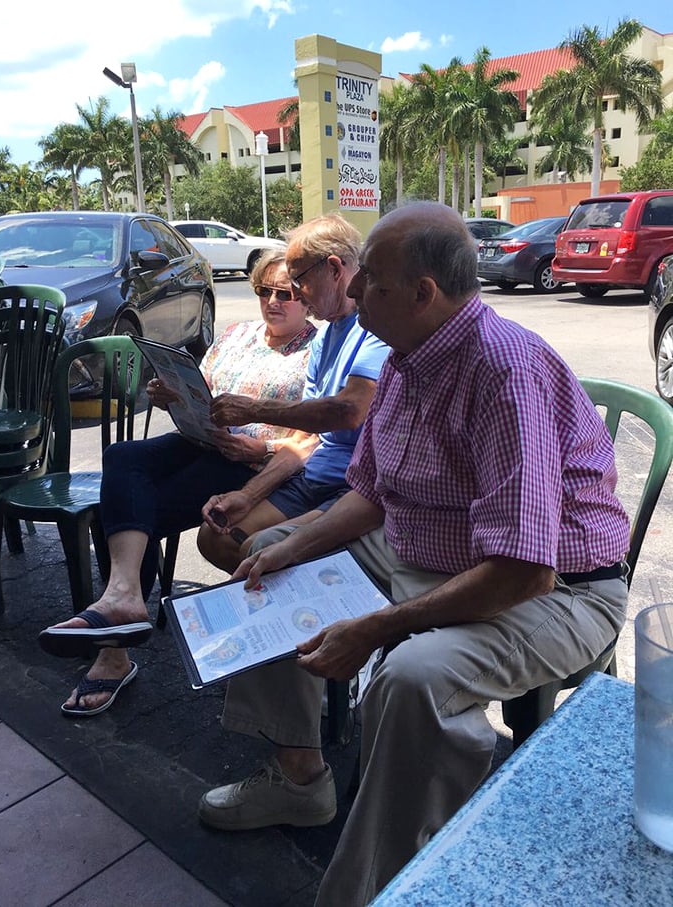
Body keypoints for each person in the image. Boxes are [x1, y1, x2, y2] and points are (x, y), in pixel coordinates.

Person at [196, 202, 631, 907]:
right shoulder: (406, 356)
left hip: (556, 589)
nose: (356, 291)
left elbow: (526, 566)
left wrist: (378, 627)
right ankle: (300, 776)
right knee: (268, 556)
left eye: (374, 281)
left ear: (424, 292)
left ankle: (382, 885)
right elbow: (369, 492)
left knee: (410, 674)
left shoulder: (502, 372)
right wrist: (287, 548)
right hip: (430, 548)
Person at [39, 249, 319, 713]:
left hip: (245, 462)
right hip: (199, 440)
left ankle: (113, 651)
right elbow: (200, 392)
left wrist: (261, 448)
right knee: (122, 457)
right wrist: (170, 397)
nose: (273, 301)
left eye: (285, 293)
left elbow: (313, 437)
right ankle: (123, 596)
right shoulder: (236, 335)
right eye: (263, 291)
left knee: (131, 510)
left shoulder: (318, 349)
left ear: (306, 298)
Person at [196, 212, 389, 572]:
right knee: (215, 538)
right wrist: (247, 495)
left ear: (334, 269)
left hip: (357, 489)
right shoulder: (325, 338)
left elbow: (348, 411)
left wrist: (254, 410)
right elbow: (305, 440)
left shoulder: (377, 327)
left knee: (258, 549)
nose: (295, 294)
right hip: (315, 476)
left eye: (297, 280)